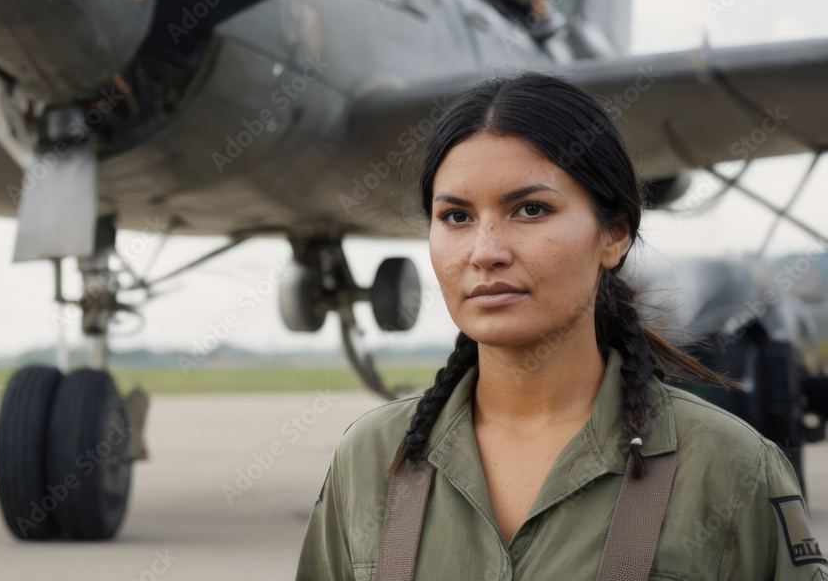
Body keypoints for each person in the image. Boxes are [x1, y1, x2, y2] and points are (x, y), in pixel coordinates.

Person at [294, 72, 826, 580]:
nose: (485, 253)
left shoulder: (730, 466)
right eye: (456, 217)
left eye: (529, 209)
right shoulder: (368, 459)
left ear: (613, 234)